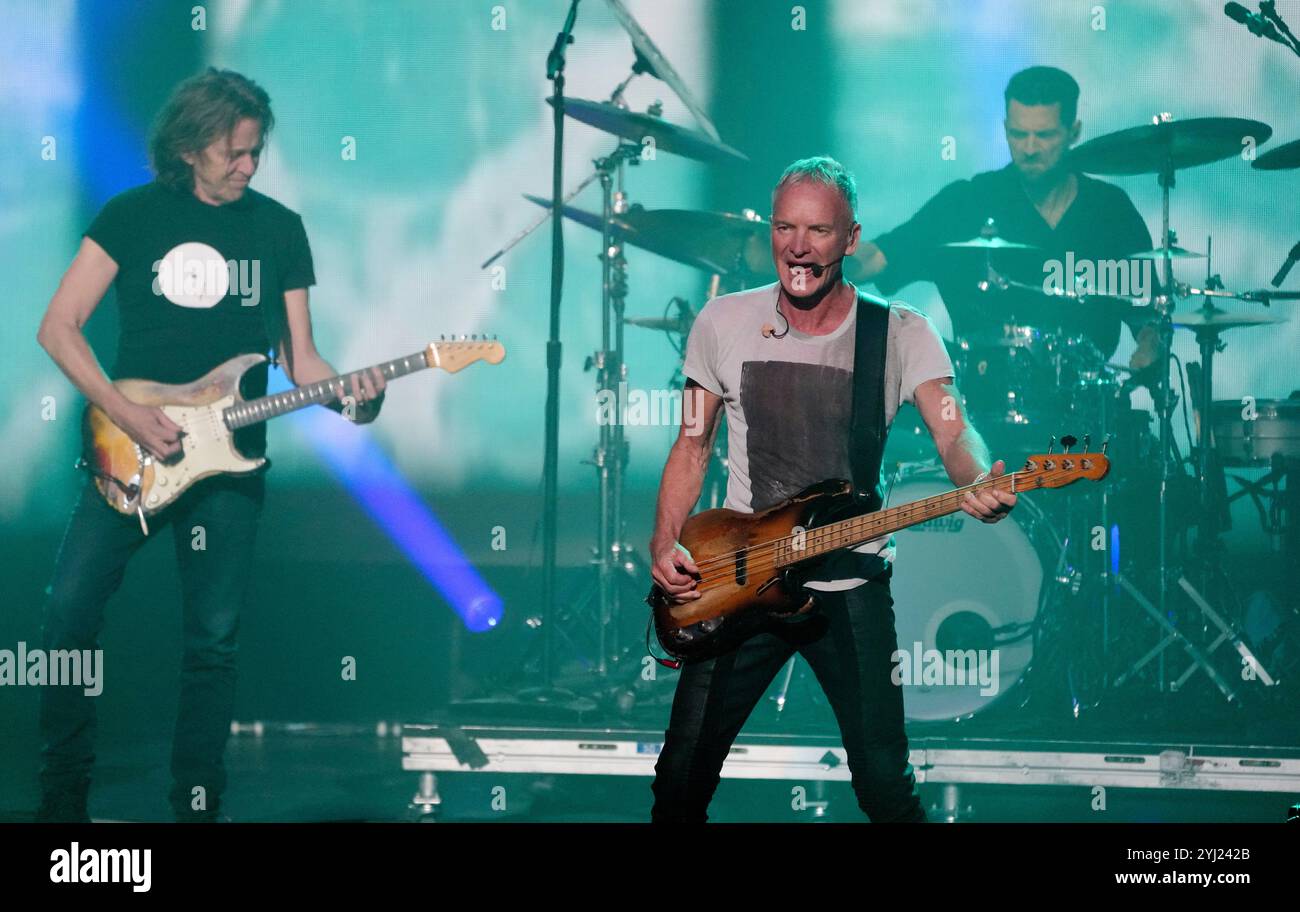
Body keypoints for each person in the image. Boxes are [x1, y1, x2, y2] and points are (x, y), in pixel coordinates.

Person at [34, 68, 386, 822]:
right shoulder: (129, 217)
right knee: (67, 615)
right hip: (129, 451)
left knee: (215, 642)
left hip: (230, 460)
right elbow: (57, 326)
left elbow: (302, 360)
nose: (249, 166)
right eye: (235, 153)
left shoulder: (278, 228)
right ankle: (61, 803)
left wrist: (356, 397)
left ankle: (197, 804)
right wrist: (125, 413)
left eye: (257, 152)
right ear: (190, 146)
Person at [647, 156, 1016, 822]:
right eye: (784, 227)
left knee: (883, 785)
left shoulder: (898, 332)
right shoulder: (721, 323)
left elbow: (954, 432)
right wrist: (666, 538)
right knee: (678, 782)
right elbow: (692, 445)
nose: (797, 246)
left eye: (818, 230)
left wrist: (979, 478)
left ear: (851, 238)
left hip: (848, 583)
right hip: (739, 579)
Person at [850, 66, 1156, 365]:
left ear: (1073, 132)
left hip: (1089, 403)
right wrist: (822, 255)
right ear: (1005, 127)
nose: (1030, 148)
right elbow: (879, 258)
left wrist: (1149, 347)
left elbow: (1149, 312)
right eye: (1019, 134)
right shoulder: (967, 203)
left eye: (1045, 135)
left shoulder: (1110, 211)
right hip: (981, 400)